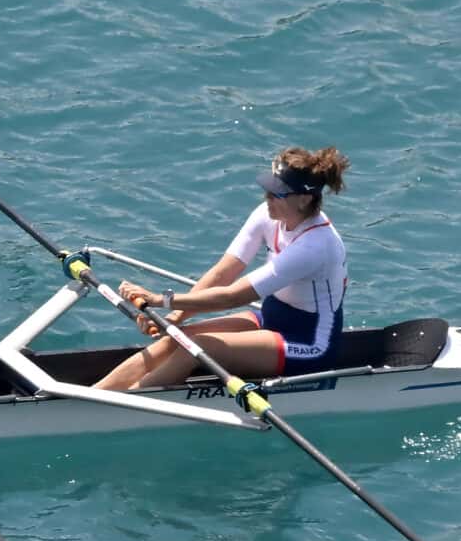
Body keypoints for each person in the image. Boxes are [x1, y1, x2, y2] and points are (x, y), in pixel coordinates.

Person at [96, 146, 350, 391]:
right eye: (267, 190)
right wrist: (174, 318)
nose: (268, 198)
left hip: (309, 344)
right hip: (269, 319)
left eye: (277, 194)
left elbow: (233, 297)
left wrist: (160, 300)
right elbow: (223, 272)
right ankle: (95, 395)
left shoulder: (315, 246)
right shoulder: (268, 214)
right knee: (175, 338)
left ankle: (120, 407)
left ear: (304, 199)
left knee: (199, 347)